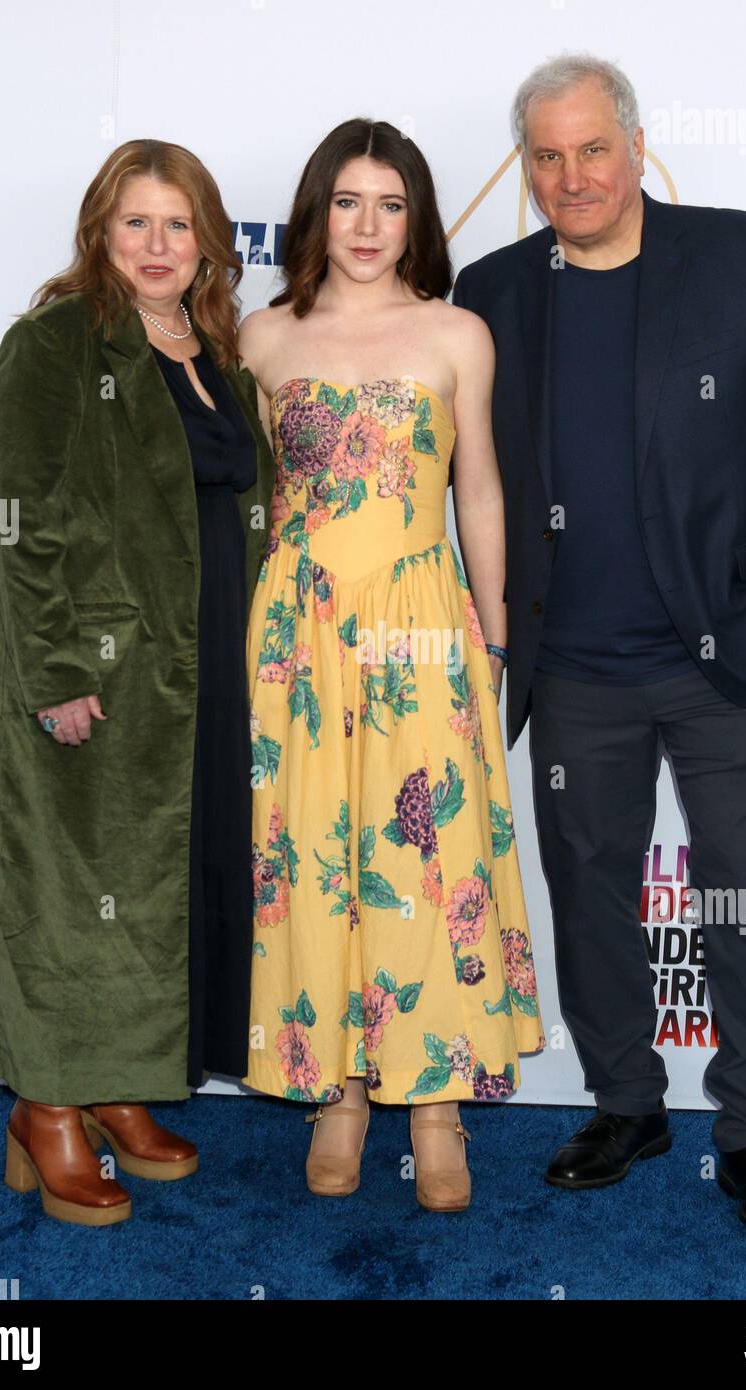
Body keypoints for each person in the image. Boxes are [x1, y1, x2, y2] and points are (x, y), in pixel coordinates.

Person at [452, 54, 746, 1233]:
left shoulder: (739, 257)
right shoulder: (491, 291)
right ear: (523, 167)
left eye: (590, 149)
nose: (570, 176)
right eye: (546, 156)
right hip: (573, 670)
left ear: (633, 146)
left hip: (730, 663)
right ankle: (625, 1101)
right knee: (587, 892)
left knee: (742, 894)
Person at [0, 139, 275, 1225]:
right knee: (63, 887)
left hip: (193, 675)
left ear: (207, 242)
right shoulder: (55, 342)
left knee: (142, 892)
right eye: (135, 222)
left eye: (176, 225)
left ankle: (118, 1086)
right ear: (100, 230)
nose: (156, 245)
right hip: (88, 669)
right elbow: (19, 516)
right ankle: (44, 1106)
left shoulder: (211, 348)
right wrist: (52, 669)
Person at [237, 118, 545, 1212]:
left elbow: (482, 493)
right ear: (317, 210)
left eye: (391, 205)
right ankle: (339, 1093)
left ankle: (434, 1102)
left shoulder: (455, 333)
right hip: (299, 630)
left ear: (415, 218)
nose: (366, 227)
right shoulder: (260, 338)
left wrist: (493, 634)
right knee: (316, 849)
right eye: (347, 202)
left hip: (422, 621)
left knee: (427, 856)